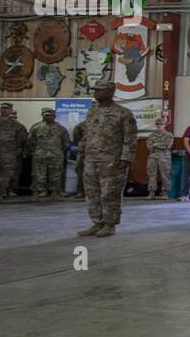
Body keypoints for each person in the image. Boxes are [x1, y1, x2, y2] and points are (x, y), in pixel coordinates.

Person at [76, 80, 136, 236]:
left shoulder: (123, 113)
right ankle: (97, 222)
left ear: (110, 92)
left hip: (112, 160)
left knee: (110, 192)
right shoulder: (92, 112)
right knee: (92, 192)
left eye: (100, 90)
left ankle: (110, 224)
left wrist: (126, 159)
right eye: (95, 90)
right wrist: (82, 153)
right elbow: (87, 134)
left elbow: (130, 138)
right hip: (91, 159)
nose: (96, 93)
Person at [27, 108, 70, 200]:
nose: (49, 117)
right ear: (43, 115)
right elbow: (30, 141)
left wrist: (58, 151)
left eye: (51, 115)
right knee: (39, 175)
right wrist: (36, 151)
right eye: (46, 115)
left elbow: (66, 142)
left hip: (56, 156)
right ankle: (41, 191)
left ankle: (55, 191)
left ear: (54, 116)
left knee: (56, 175)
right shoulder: (36, 127)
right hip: (40, 155)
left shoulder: (60, 128)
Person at [145, 117, 174, 200]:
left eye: (161, 124)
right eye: (157, 124)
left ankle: (165, 192)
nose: (159, 126)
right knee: (151, 175)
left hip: (164, 157)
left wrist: (155, 144)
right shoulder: (151, 135)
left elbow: (167, 146)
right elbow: (149, 146)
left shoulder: (169, 135)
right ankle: (151, 192)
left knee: (165, 175)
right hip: (153, 156)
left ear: (164, 125)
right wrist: (158, 145)